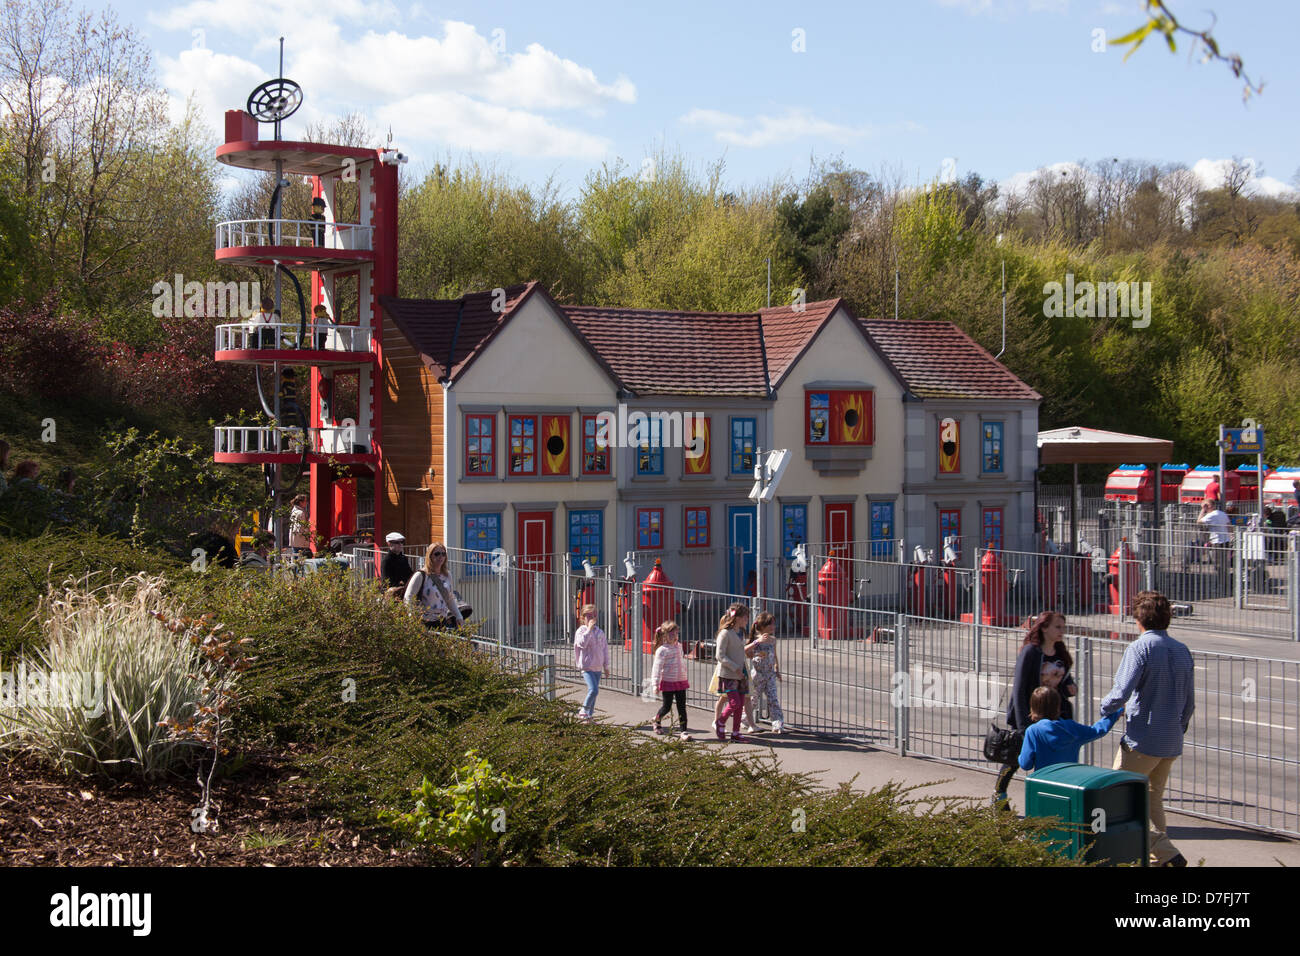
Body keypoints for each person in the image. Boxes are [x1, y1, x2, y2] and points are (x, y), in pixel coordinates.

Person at [1099, 590, 1195, 867]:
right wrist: (1179, 727)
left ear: (1137, 619)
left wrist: (1105, 709)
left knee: (1117, 797)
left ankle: (1164, 852)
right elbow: (1189, 702)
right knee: (1153, 800)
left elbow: (1121, 692)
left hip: (1142, 739)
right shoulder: (1182, 649)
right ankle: (1155, 860)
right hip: (1171, 740)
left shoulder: (1140, 648)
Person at [994, 611, 1076, 808]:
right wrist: (1023, 725)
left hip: (1056, 715)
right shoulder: (1031, 652)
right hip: (1031, 715)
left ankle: (1051, 802)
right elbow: (1020, 688)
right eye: (1057, 627)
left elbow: (1064, 681)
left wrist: (1069, 687)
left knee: (1053, 760)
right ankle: (999, 796)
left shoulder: (1060, 652)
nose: (1062, 631)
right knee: (1016, 759)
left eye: (1063, 627)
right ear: (1044, 628)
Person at [1018, 686, 1122, 772]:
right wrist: (1116, 712)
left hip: (1044, 784)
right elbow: (1098, 730)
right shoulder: (1072, 727)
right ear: (1058, 706)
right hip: (1069, 782)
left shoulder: (1033, 731)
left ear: (1034, 708)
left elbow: (1025, 764)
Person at [404, 543, 465, 630]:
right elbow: (408, 597)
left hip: (442, 621)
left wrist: (458, 615)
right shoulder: (421, 575)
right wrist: (412, 616)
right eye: (437, 554)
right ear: (430, 556)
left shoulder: (447, 575)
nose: (440, 557)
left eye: (443, 554)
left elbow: (449, 598)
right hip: (424, 622)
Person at [649, 620, 692, 740]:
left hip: (680, 681)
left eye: (676, 633)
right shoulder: (662, 650)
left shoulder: (679, 646)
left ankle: (684, 731)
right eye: (672, 634)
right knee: (666, 707)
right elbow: (657, 668)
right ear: (664, 635)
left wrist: (684, 673)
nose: (675, 636)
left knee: (682, 707)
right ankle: (656, 720)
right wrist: (655, 684)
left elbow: (680, 661)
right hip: (668, 682)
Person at [714, 603, 751, 742]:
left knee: (740, 704)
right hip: (729, 674)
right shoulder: (725, 633)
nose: (747, 619)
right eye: (745, 617)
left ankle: (736, 732)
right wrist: (735, 667)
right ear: (737, 618)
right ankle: (720, 721)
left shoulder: (740, 633)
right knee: (734, 702)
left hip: (741, 673)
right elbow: (720, 655)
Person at [748, 611, 785, 734]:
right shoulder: (756, 640)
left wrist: (777, 669)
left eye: (774, 624)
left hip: (770, 675)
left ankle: (778, 724)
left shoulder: (773, 640)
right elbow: (746, 652)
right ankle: (745, 720)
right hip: (757, 674)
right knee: (753, 699)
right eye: (771, 624)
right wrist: (757, 645)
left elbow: (774, 655)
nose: (773, 627)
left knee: (773, 699)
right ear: (763, 626)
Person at [573, 603, 608, 722]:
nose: (591, 618)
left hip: (597, 666)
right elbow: (582, 644)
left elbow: (605, 649)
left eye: (593, 615)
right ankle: (584, 711)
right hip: (587, 666)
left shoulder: (600, 632)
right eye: (588, 616)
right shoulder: (581, 631)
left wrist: (606, 666)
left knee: (594, 693)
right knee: (593, 690)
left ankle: (589, 715)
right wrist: (589, 629)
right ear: (583, 618)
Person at [1198, 498, 1231, 593]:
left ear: (1209, 506)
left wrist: (1202, 510)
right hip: (1225, 541)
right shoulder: (1222, 513)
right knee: (1224, 565)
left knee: (1218, 565)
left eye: (1205, 506)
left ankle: (1222, 585)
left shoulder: (1211, 515)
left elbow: (1198, 521)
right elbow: (1229, 525)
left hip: (1218, 542)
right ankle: (1225, 584)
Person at [381, 531, 413, 597]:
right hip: (393, 595)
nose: (400, 544)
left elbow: (410, 574)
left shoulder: (403, 558)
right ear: (389, 544)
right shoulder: (386, 561)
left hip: (405, 592)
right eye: (397, 542)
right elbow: (387, 582)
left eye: (402, 542)